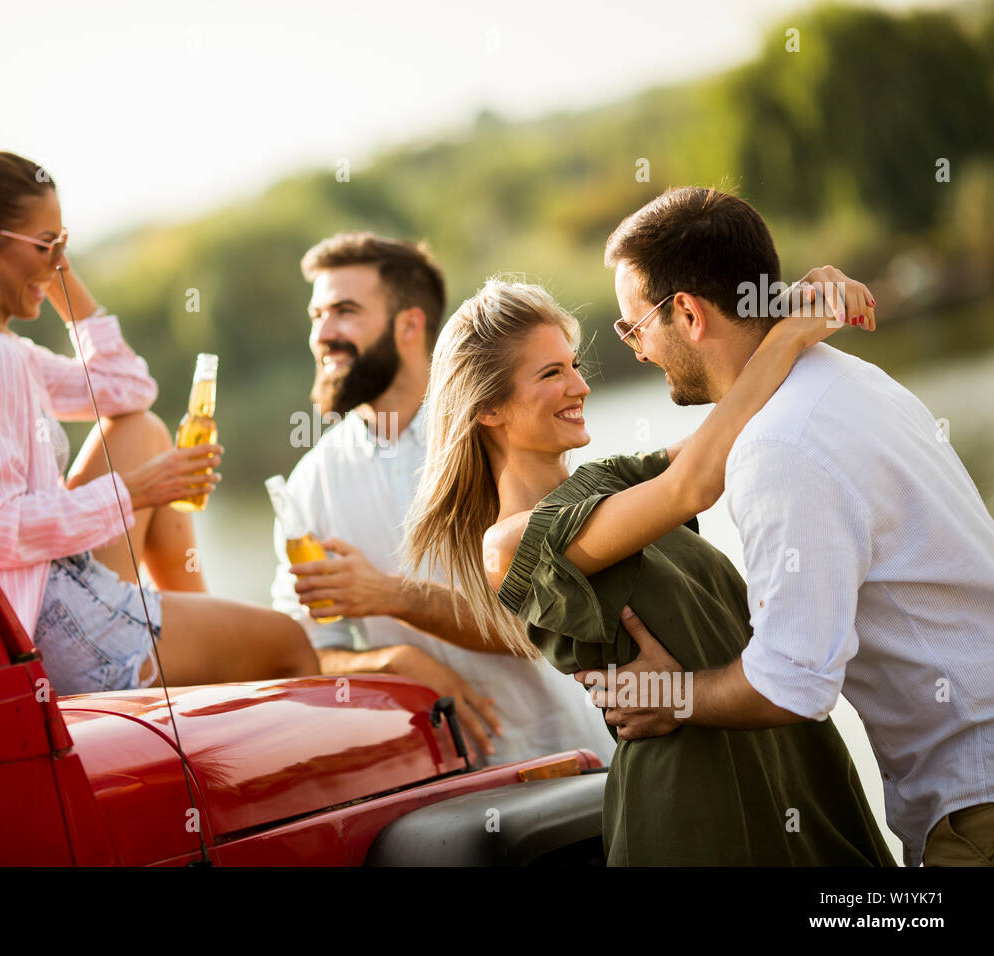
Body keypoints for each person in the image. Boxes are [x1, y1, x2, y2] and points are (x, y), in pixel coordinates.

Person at [405, 276, 895, 865]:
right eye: (550, 373)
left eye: (574, 364)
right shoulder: (510, 543)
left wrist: (793, 302)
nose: (580, 385)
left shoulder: (610, 483)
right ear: (488, 407)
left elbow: (727, 433)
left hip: (788, 764)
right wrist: (791, 335)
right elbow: (693, 485)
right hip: (692, 804)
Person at [586, 185, 994, 868]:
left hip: (976, 802)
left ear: (686, 312)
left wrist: (666, 698)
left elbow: (793, 682)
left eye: (633, 327)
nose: (634, 350)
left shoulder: (779, 447)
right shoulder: (845, 378)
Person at [0, 149, 319, 693]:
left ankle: (194, 644)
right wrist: (135, 491)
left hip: (43, 591)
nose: (56, 262)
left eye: (62, 247)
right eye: (45, 246)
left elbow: (127, 390)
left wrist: (60, 280)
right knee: (288, 644)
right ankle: (202, 668)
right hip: (44, 616)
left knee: (142, 430)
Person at [271, 232, 615, 766]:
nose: (322, 334)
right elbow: (302, 653)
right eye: (316, 315)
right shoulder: (308, 483)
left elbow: (558, 618)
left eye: (343, 312)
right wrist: (396, 661)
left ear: (409, 324)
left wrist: (393, 596)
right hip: (438, 799)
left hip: (579, 762)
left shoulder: (501, 426)